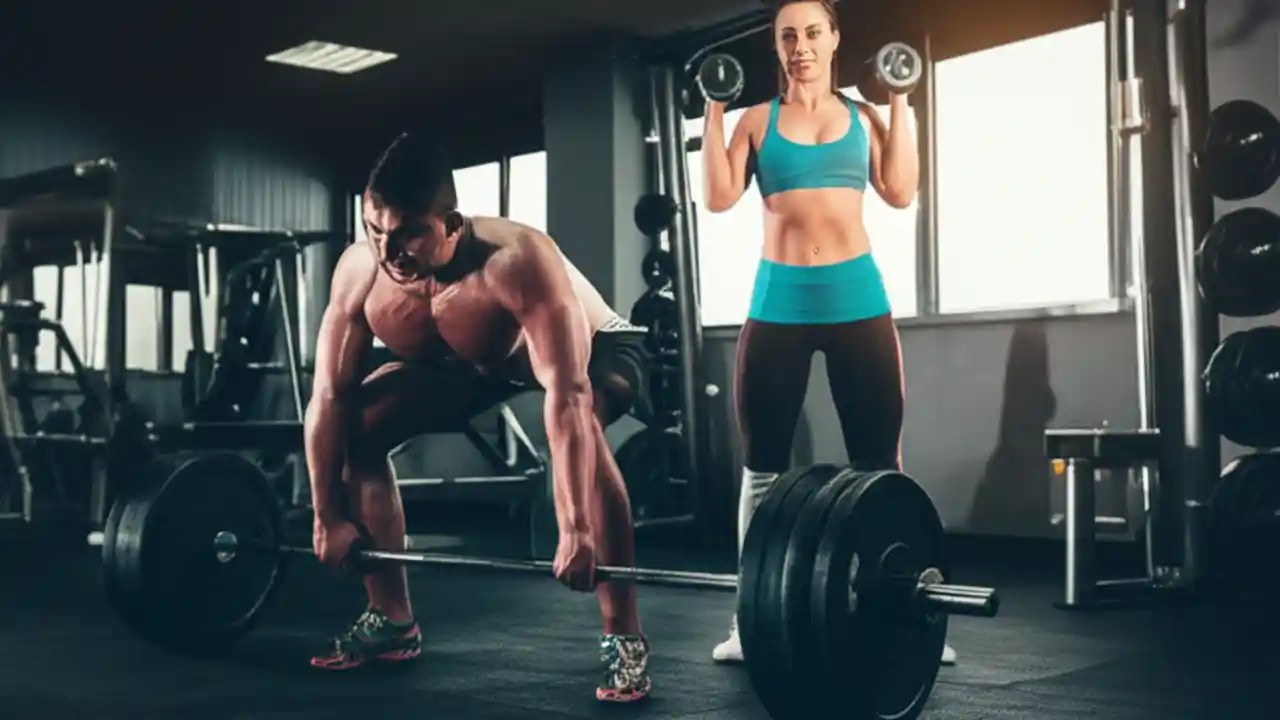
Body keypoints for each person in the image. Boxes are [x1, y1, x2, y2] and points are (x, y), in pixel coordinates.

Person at [302, 131, 654, 702]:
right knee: (357, 427)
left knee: (585, 426)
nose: (389, 251)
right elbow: (327, 397)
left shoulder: (517, 258)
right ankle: (391, 619)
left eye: (408, 233)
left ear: (451, 224)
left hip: (594, 351)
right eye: (374, 230)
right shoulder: (361, 272)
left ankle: (623, 636)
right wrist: (325, 516)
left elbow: (567, 394)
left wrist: (575, 530)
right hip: (470, 364)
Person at [699, 0, 957, 666]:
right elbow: (719, 198)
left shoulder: (865, 118)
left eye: (813, 32)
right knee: (761, 469)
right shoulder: (757, 120)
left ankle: (907, 617)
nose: (801, 46)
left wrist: (900, 97)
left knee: (880, 466)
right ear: (776, 46)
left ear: (835, 39)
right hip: (779, 303)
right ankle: (749, 619)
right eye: (788, 35)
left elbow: (901, 190)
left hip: (857, 301)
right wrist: (715, 106)